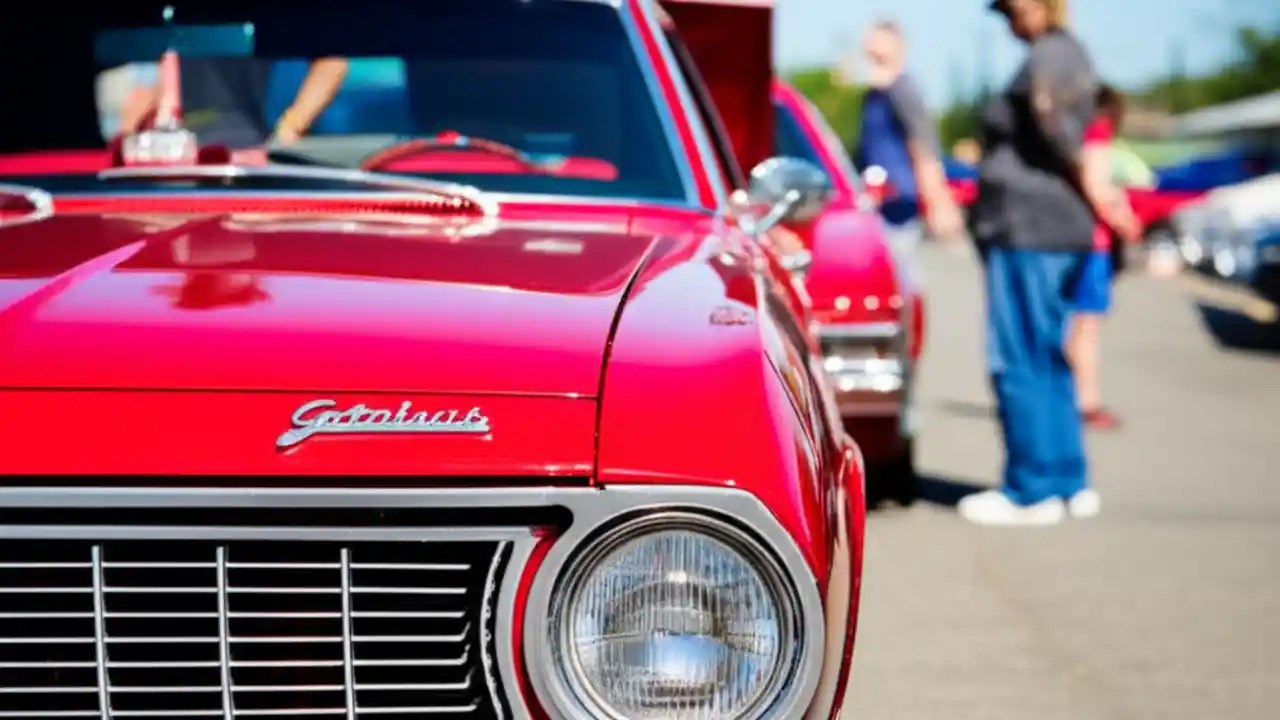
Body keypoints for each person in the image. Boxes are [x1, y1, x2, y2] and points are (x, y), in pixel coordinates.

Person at [957, 0, 1136, 527]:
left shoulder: (1052, 54)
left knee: (1019, 356)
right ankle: (1065, 480)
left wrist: (1103, 200)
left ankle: (1031, 489)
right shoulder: (1065, 53)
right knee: (1049, 355)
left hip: (1030, 228)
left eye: (1011, 8)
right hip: (1050, 228)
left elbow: (1061, 129)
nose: (1008, 19)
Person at [855, 20, 965, 289]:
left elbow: (923, 146)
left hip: (900, 201)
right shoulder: (874, 95)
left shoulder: (903, 91)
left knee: (901, 275)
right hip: (879, 200)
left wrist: (937, 201)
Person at [1066, 84, 1138, 431]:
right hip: (1093, 244)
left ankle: (1071, 398)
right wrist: (1126, 221)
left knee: (1072, 326)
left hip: (1069, 240)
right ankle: (1087, 401)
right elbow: (1097, 186)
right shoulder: (1096, 131)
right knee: (1087, 328)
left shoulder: (1067, 134)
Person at [123, 55, 349, 151]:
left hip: (239, 157)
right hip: (169, 159)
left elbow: (332, 62)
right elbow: (150, 87)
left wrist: (291, 126)